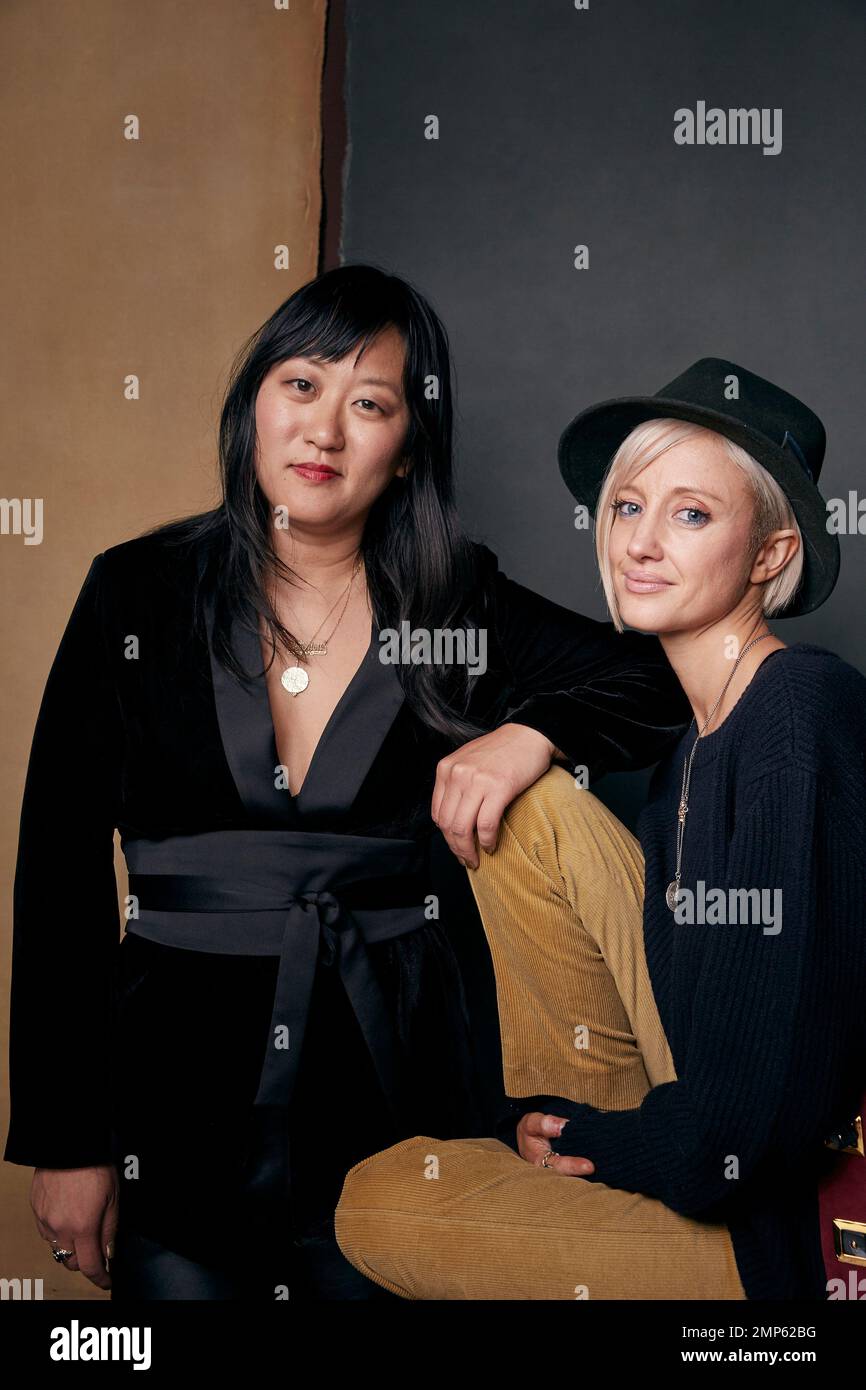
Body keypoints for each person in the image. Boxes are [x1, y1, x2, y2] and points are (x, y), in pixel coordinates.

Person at [3, 265, 692, 1300]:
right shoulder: (135, 590)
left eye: (368, 404)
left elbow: (657, 679)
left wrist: (532, 732)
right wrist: (68, 1141)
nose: (323, 432)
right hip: (171, 1094)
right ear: (252, 409)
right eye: (300, 386)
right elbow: (56, 870)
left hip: (392, 1103)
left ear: (406, 447)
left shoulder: (454, 598)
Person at [333, 357, 866, 1300]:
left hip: (786, 1237)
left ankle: (572, 1154)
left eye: (691, 514)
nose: (642, 543)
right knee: (529, 811)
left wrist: (588, 1142)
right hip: (692, 1137)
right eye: (627, 507)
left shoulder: (800, 709)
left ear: (772, 554)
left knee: (379, 1203)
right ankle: (568, 1141)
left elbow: (751, 1132)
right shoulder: (687, 755)